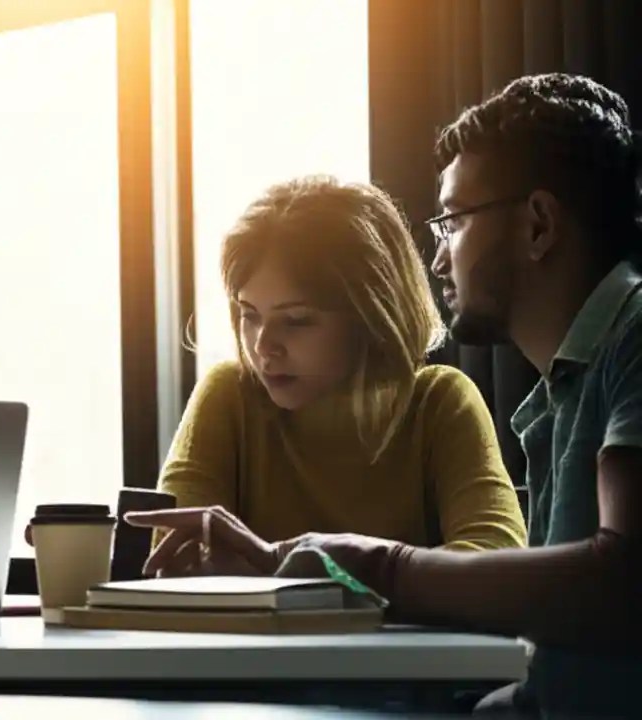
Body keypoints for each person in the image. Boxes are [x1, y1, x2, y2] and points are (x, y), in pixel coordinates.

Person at [129, 74, 642, 717]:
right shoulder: (569, 381)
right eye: (249, 315)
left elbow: (616, 581)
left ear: (538, 225)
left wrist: (364, 566)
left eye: (452, 222)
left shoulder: (626, 343)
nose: (439, 261)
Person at [141, 175, 525, 576]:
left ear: (371, 317)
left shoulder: (440, 402)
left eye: (296, 321)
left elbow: (496, 558)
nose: (262, 345)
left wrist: (286, 568)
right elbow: (175, 559)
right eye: (249, 315)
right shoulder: (228, 397)